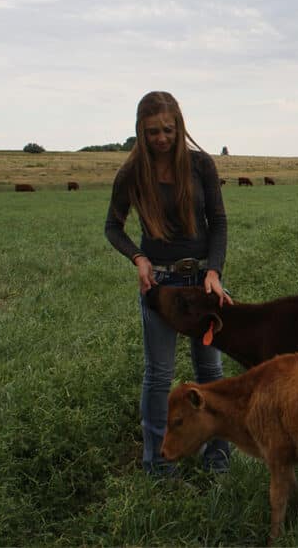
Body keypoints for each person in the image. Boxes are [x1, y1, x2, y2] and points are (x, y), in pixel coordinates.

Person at [105, 91, 234, 476]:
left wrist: (214, 272)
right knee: (159, 375)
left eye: (167, 129)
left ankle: (218, 460)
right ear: (140, 133)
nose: (161, 138)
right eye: (151, 132)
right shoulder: (131, 173)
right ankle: (159, 466)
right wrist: (139, 258)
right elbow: (113, 227)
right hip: (159, 285)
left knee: (210, 372)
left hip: (200, 283)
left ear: (179, 126)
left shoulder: (200, 165)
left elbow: (219, 222)